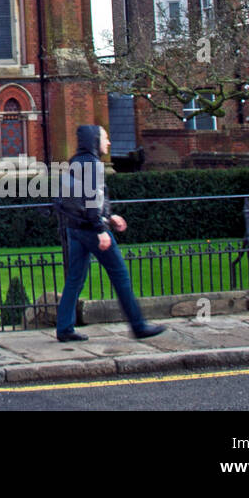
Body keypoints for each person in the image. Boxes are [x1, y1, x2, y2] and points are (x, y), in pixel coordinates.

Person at [53, 124, 166, 342]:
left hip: (74, 229)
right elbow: (93, 200)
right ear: (95, 140)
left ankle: (64, 329)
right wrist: (101, 228)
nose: (109, 142)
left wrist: (109, 217)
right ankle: (139, 326)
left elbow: (73, 200)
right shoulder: (94, 164)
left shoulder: (75, 163)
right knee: (120, 275)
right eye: (105, 137)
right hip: (91, 230)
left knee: (74, 279)